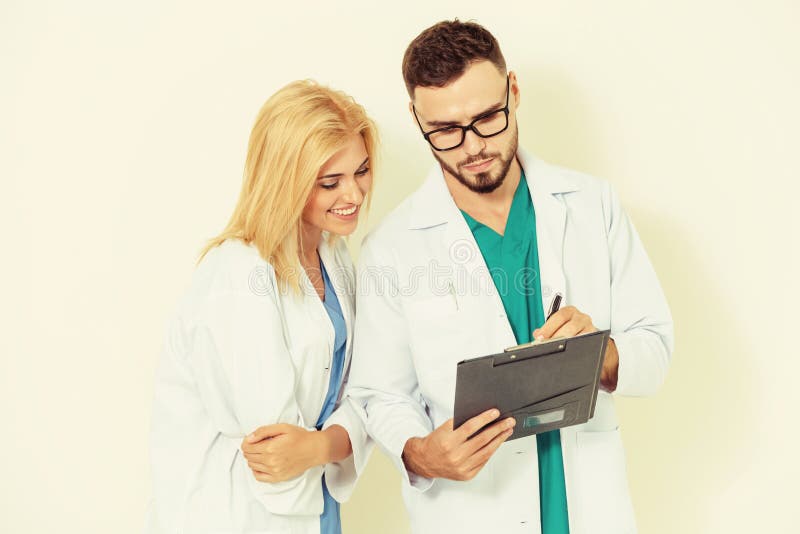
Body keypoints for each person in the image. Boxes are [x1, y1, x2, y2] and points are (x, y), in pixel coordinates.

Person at [348, 20, 673, 534]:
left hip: (590, 509)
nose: (472, 146)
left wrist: (601, 352)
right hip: (471, 511)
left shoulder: (592, 207)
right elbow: (378, 394)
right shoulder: (392, 249)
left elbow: (655, 349)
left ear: (513, 92)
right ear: (417, 118)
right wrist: (421, 454)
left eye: (488, 119)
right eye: (446, 131)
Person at [146, 80, 377, 534]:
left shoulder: (333, 256)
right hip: (245, 513)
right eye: (330, 182)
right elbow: (274, 453)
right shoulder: (238, 272)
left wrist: (321, 446)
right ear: (284, 180)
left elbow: (364, 389)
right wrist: (333, 442)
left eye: (362, 171)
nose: (353, 195)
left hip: (317, 502)